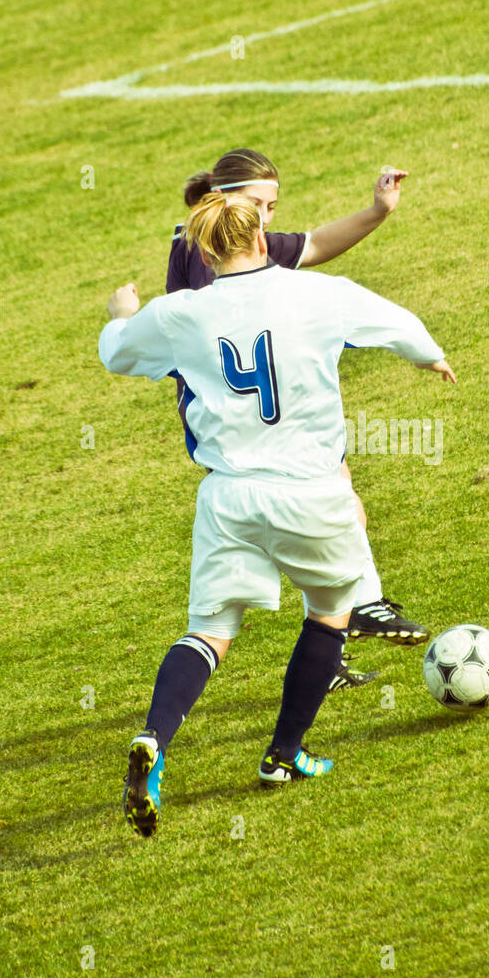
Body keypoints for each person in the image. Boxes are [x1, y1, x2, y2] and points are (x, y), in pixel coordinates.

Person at [100, 191, 456, 837]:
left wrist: (123, 316)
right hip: (310, 492)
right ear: (262, 238)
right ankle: (283, 754)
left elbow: (118, 354)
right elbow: (395, 320)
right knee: (331, 610)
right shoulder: (315, 293)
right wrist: (427, 353)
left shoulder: (181, 312)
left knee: (209, 630)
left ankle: (153, 739)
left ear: (205, 252)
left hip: (228, 496)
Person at [167, 147, 431, 689]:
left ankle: (339, 638)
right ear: (225, 199)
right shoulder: (212, 247)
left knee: (330, 500)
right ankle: (360, 607)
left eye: (272, 207)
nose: (268, 219)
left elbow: (311, 246)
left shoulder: (222, 233)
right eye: (261, 206)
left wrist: (378, 211)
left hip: (244, 408)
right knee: (328, 500)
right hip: (239, 409)